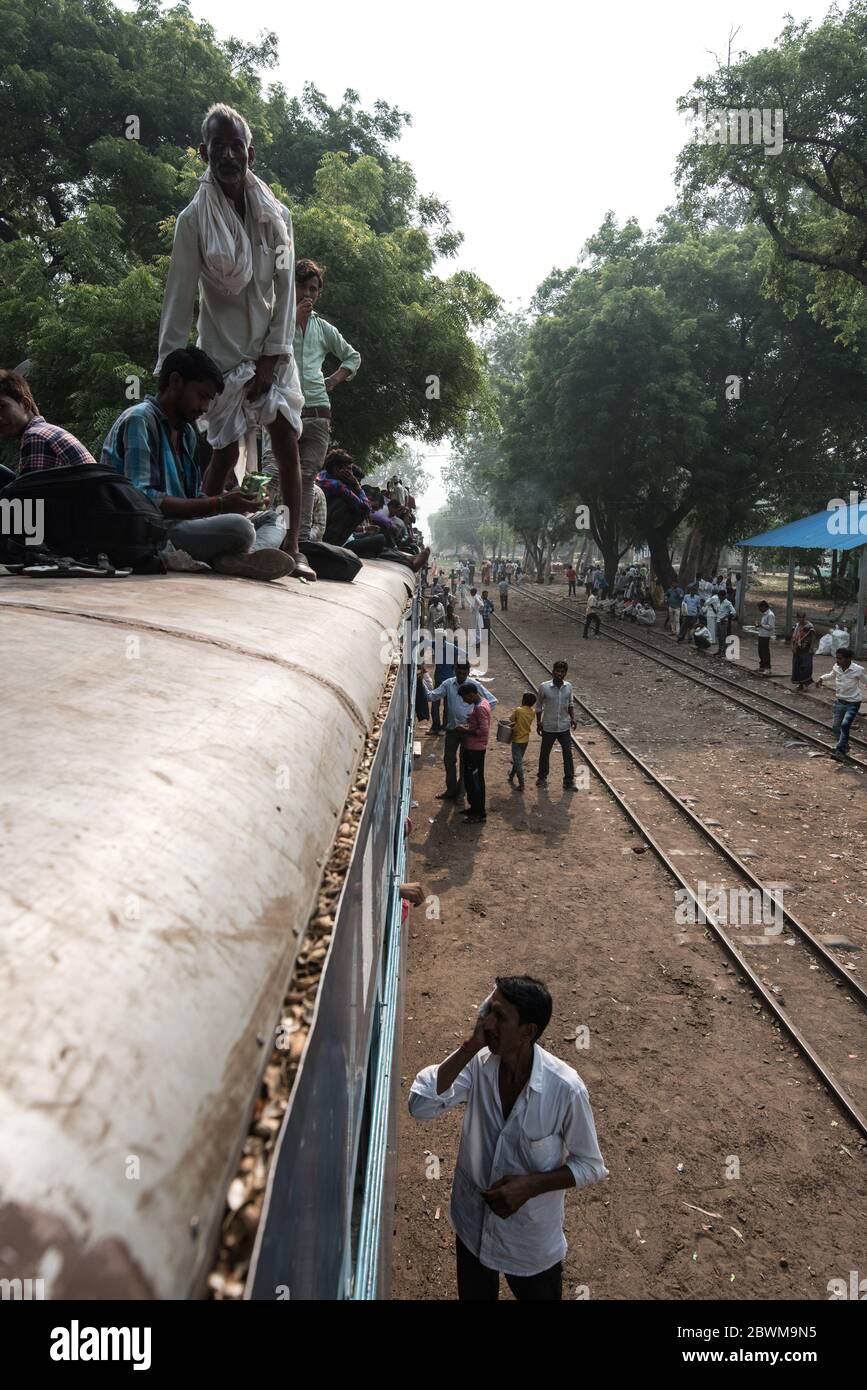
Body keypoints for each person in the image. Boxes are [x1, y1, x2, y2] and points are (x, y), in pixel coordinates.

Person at [155, 104, 316, 581]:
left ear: (249, 152)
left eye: (236, 145)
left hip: (272, 345)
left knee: (285, 438)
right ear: (204, 152)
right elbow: (179, 296)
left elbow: (286, 289)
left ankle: (292, 546)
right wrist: (170, 372)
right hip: (221, 352)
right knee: (223, 452)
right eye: (217, 146)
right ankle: (207, 541)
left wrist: (273, 354)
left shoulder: (276, 215)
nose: (228, 154)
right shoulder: (193, 221)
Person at [408, 976, 608, 1301]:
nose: (488, 1023)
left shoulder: (565, 1090)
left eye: (499, 1017)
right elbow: (420, 1105)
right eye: (488, 1011)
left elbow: (591, 1165)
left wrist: (529, 1186)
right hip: (472, 1224)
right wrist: (469, 1046)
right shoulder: (479, 1064)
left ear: (528, 1032)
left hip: (529, 1244)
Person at [101, 347, 294, 580]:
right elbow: (145, 501)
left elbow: (192, 498)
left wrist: (235, 500)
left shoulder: (187, 432)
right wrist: (220, 504)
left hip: (183, 526)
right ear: (175, 382)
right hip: (150, 530)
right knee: (240, 528)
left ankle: (236, 558)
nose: (204, 408)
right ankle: (234, 555)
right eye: (202, 396)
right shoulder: (139, 420)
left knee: (274, 518)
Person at [262, 257, 360, 542]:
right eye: (302, 287)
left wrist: (331, 381)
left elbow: (352, 357)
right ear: (291, 287)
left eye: (313, 289)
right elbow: (262, 351)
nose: (308, 294)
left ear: (319, 293)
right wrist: (294, 318)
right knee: (272, 472)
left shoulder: (323, 328)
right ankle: (260, 533)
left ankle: (299, 543)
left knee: (306, 478)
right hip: (280, 407)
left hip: (317, 413)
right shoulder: (277, 320)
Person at [0, 369, 97, 472]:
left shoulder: (36, 436)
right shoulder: (46, 431)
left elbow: (33, 488)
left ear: (25, 404)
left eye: (1, 407)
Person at [427, 662, 497, 802]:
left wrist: (477, 717)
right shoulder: (448, 684)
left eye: (464, 673)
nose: (461, 676)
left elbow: (492, 701)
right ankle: (451, 790)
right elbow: (432, 696)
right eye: (459, 673)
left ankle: (461, 793)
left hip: (468, 732)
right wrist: (422, 680)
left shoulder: (474, 685)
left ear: (468, 672)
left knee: (465, 763)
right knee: (449, 760)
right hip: (452, 729)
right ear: (454, 670)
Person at [814, 648, 867, 757]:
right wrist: (821, 679)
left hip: (853, 703)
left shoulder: (857, 670)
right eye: (837, 658)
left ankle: (840, 750)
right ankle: (844, 744)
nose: (837, 660)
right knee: (836, 726)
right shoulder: (836, 667)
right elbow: (831, 675)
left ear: (848, 659)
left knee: (845, 725)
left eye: (840, 658)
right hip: (839, 702)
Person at [535, 662, 577, 788]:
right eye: (558, 671)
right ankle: (542, 778)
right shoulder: (544, 687)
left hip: (564, 726)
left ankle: (568, 781)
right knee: (545, 753)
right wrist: (539, 722)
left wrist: (573, 718)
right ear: (553, 671)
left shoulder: (568, 687)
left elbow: (570, 704)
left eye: (562, 671)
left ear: (565, 673)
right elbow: (538, 706)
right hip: (548, 726)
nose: (560, 674)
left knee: (567, 753)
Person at [455, 682, 491, 823]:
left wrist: (465, 730)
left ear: (471, 694)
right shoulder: (482, 703)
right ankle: (474, 808)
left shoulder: (481, 708)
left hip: (475, 749)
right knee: (471, 780)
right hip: (473, 748)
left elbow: (484, 731)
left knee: (475, 781)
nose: (464, 701)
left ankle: (479, 813)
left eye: (465, 698)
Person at [507, 692, 536, 791]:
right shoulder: (532, 711)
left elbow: (511, 719)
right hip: (525, 739)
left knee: (518, 761)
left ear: (523, 700)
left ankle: (522, 783)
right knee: (517, 759)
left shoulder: (519, 710)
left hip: (517, 739)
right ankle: (511, 775)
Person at [791, 611, 818, 691]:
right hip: (797, 649)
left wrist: (811, 648)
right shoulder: (797, 626)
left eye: (802, 617)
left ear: (805, 617)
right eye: (799, 617)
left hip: (806, 649)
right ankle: (800, 685)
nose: (801, 619)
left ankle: (806, 685)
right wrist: (792, 646)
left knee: (805, 667)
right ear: (797, 618)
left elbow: (813, 638)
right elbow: (793, 637)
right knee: (797, 667)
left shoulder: (809, 627)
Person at [715, 590, 736, 658]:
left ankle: (724, 652)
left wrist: (725, 617)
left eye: (720, 596)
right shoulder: (718, 602)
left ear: (723, 596)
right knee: (719, 636)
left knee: (723, 637)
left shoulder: (727, 603)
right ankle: (720, 650)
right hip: (718, 621)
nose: (719, 597)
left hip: (723, 622)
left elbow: (733, 612)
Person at [756, 600, 775, 674]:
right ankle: (762, 666)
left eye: (760, 608)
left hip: (766, 636)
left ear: (764, 607)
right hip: (761, 634)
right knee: (760, 651)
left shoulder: (770, 615)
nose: (759, 610)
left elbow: (771, 627)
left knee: (765, 652)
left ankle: (767, 667)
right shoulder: (764, 614)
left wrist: (761, 625)